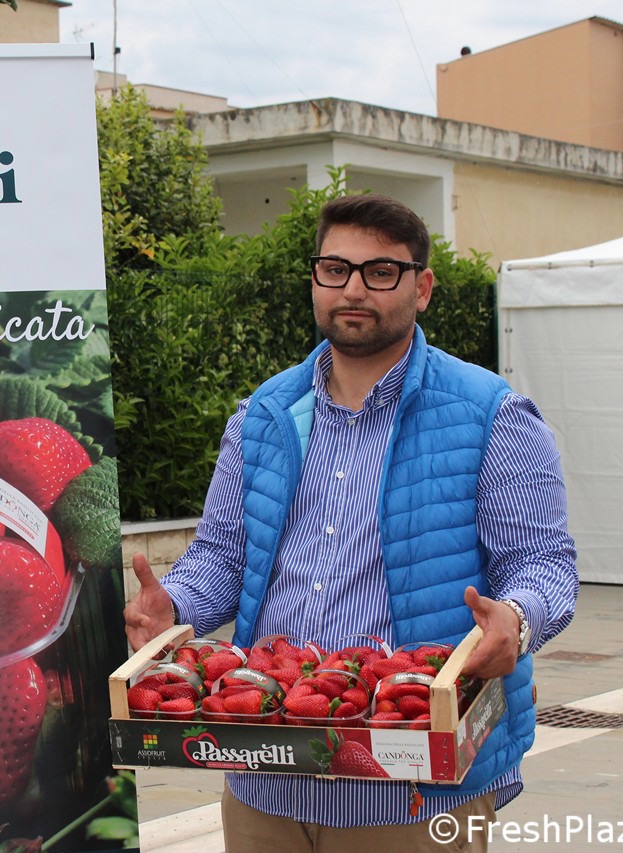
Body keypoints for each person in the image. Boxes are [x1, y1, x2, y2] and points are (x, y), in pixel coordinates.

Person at [123, 193, 578, 852]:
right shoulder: (263, 415)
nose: (354, 288)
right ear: (315, 279)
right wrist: (175, 604)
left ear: (422, 287)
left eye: (381, 271)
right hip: (267, 780)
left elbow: (543, 565)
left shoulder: (491, 414)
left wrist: (518, 618)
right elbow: (221, 559)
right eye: (335, 269)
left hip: (413, 786)